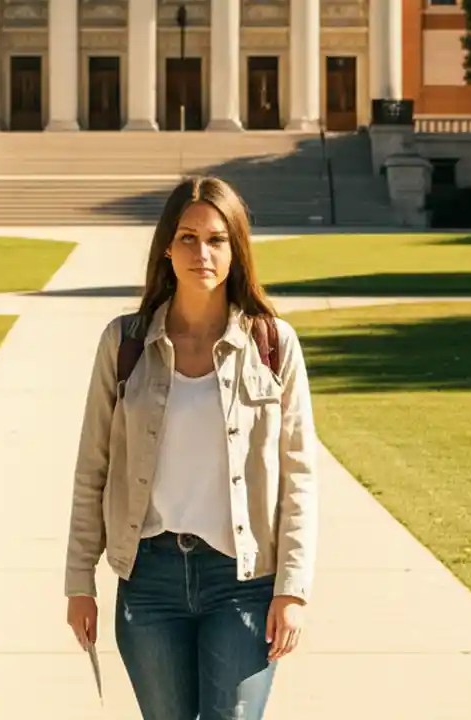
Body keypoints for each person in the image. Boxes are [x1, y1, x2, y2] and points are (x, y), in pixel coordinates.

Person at [63, 176, 320, 720]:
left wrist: (292, 590)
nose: (201, 252)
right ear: (167, 247)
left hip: (244, 583)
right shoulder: (125, 342)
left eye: (217, 239)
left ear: (236, 249)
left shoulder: (273, 344)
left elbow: (299, 476)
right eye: (187, 237)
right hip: (150, 581)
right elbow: (93, 468)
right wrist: (79, 581)